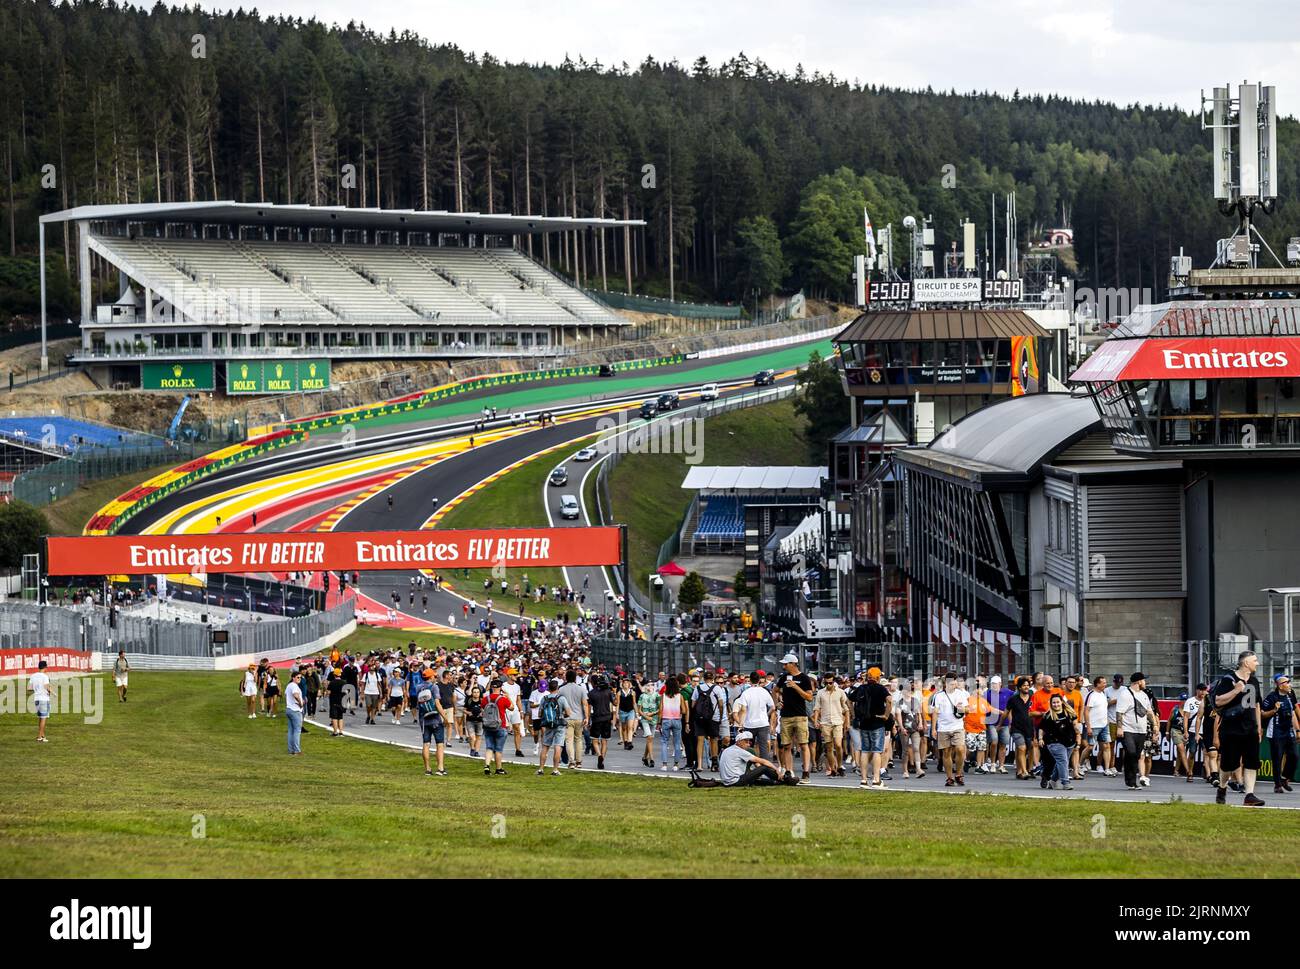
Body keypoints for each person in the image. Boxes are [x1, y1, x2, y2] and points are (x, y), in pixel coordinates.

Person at [1213, 650, 1265, 806]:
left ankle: (1249, 795)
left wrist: (1258, 726)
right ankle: (1222, 788)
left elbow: (1256, 704)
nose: (1257, 663)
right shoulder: (1228, 680)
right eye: (1254, 660)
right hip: (1231, 729)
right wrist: (1236, 690)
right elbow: (1218, 701)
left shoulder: (1254, 681)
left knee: (1251, 762)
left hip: (1250, 729)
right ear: (1246, 663)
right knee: (1229, 765)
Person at [848, 667, 891, 788]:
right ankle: (876, 779)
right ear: (877, 677)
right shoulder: (881, 688)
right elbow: (889, 700)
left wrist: (853, 714)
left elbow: (849, 700)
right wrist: (886, 715)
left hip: (864, 723)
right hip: (877, 722)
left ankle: (863, 780)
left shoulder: (861, 688)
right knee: (877, 750)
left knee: (865, 751)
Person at [775, 652, 814, 781]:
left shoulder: (804, 678)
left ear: (793, 664)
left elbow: (809, 697)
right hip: (786, 715)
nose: (784, 666)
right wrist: (777, 701)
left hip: (800, 715)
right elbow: (775, 690)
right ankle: (788, 770)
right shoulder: (784, 678)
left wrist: (796, 687)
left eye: (786, 664)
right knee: (786, 745)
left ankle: (806, 771)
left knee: (803, 744)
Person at [1114, 671, 1154, 791]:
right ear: (1138, 682)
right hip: (1128, 729)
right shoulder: (1125, 694)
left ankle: (1130, 778)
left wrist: (1155, 725)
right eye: (1143, 680)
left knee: (1136, 755)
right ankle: (1131, 781)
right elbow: (1119, 712)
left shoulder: (1144, 695)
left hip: (1141, 730)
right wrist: (1120, 727)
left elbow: (1149, 711)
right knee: (1131, 752)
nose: (1145, 683)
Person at [718, 731, 799, 787]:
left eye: (749, 741)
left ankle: (779, 782)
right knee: (763, 768)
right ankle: (786, 778)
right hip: (736, 780)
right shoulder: (740, 751)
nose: (748, 744)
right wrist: (777, 769)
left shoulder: (729, 749)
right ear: (738, 742)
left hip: (727, 782)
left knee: (757, 778)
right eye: (746, 741)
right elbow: (762, 761)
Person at [1262, 674, 1297, 794]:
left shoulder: (1290, 695)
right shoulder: (1272, 697)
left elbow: (1293, 713)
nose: (1289, 684)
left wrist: (1297, 730)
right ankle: (1277, 784)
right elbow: (1262, 713)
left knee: (1294, 756)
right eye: (1286, 682)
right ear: (1279, 685)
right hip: (1276, 731)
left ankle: (1284, 778)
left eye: (1289, 682)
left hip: (1288, 730)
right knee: (1277, 758)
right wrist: (1274, 710)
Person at [932, 672, 969, 787]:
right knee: (946, 752)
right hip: (943, 728)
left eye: (954, 682)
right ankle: (949, 778)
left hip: (958, 726)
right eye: (951, 683)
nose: (953, 684)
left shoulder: (961, 694)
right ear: (945, 684)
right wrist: (933, 728)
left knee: (960, 749)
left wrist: (962, 708)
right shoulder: (938, 696)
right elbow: (935, 713)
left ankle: (958, 774)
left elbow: (967, 710)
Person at [812, 674, 850, 777]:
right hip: (825, 722)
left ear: (834, 682)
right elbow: (817, 708)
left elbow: (846, 708)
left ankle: (840, 766)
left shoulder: (841, 692)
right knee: (829, 747)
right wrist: (816, 721)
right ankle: (833, 768)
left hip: (838, 721)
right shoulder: (820, 693)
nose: (828, 685)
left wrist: (848, 722)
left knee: (838, 745)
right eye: (826, 683)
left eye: (830, 682)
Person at [733, 670, 776, 762]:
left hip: (749, 724)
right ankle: (765, 770)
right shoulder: (764, 691)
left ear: (750, 680)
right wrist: (766, 714)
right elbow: (773, 707)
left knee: (748, 748)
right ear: (759, 680)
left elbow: (744, 710)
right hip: (763, 724)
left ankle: (749, 770)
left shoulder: (746, 693)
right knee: (764, 748)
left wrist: (741, 725)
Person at [1037, 693, 1076, 790]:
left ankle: (1053, 781)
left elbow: (1075, 726)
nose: (1056, 704)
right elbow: (1041, 728)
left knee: (1061, 763)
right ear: (1051, 704)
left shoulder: (1069, 713)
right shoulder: (1048, 716)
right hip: (1054, 742)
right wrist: (1040, 738)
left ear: (1062, 702)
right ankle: (1065, 783)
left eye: (1057, 702)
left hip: (1070, 741)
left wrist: (1078, 735)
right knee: (1063, 761)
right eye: (1053, 703)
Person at [691, 669, 726, 772]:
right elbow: (721, 704)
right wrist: (720, 716)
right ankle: (714, 765)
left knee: (700, 740)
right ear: (712, 679)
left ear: (704, 678)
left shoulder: (698, 688)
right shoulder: (717, 688)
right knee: (713, 740)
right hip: (713, 717)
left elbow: (693, 704)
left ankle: (699, 765)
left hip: (700, 718)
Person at [536, 679, 573, 776]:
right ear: (557, 688)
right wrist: (562, 716)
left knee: (545, 746)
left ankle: (541, 769)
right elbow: (569, 713)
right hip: (559, 724)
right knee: (558, 746)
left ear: (548, 688)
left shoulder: (544, 698)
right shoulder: (561, 698)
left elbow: (540, 714)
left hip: (548, 725)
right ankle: (555, 769)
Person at [558, 668, 590, 769]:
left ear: (566, 678)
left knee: (569, 740)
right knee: (578, 739)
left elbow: (559, 703)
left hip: (567, 717)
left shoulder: (561, 689)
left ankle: (571, 761)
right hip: (579, 717)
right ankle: (579, 761)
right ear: (575, 678)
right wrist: (587, 717)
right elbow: (585, 704)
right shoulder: (581, 689)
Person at [480, 679, 513, 776]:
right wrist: (508, 696)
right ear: (501, 688)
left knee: (489, 747)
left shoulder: (486, 699)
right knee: (498, 749)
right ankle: (499, 769)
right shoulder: (503, 699)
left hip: (488, 725)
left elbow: (482, 708)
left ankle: (487, 765)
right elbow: (512, 707)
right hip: (500, 725)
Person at [417, 673, 448, 776]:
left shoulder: (418, 687)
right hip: (435, 718)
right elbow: (437, 704)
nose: (435, 677)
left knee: (426, 743)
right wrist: (445, 717)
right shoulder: (434, 687)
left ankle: (427, 769)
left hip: (423, 719)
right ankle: (440, 768)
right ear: (430, 677)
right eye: (434, 676)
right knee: (439, 744)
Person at [1084, 676, 1115, 776]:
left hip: (1104, 725)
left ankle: (1107, 769)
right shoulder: (1091, 695)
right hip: (1093, 725)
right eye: (1103, 683)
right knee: (1090, 747)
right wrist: (1088, 726)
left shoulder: (1103, 694)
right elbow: (1086, 711)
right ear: (1097, 684)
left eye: (1105, 683)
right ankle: (1080, 765)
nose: (1105, 685)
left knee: (1106, 746)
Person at [1007, 676, 1035, 779]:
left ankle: (1029, 769)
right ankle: (1023, 771)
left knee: (1031, 747)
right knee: (1021, 748)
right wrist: (1004, 724)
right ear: (1019, 687)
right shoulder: (1014, 699)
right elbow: (1007, 712)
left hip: (1030, 727)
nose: (1026, 687)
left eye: (1028, 685)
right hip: (1017, 727)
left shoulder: (1033, 697)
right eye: (1024, 685)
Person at [587, 674, 615, 769]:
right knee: (604, 741)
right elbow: (615, 702)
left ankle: (599, 755)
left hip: (596, 718)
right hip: (607, 718)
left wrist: (587, 719)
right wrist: (614, 692)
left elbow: (589, 707)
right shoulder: (608, 691)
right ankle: (602, 758)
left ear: (592, 683)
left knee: (594, 740)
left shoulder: (591, 693)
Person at [659, 675, 686, 771]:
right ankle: (676, 764)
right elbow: (684, 710)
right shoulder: (680, 696)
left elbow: (661, 710)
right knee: (677, 742)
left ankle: (664, 764)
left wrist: (659, 722)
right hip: (677, 720)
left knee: (664, 742)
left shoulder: (663, 696)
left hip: (666, 719)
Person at [638, 680, 661, 767]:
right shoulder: (642, 696)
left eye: (651, 685)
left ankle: (644, 757)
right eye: (648, 685)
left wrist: (653, 714)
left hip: (654, 719)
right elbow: (639, 709)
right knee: (650, 737)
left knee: (650, 739)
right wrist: (646, 716)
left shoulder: (657, 696)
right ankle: (651, 759)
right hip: (645, 719)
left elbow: (660, 708)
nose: (649, 687)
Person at [29, 660, 51, 742]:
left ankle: (43, 736)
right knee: (44, 718)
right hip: (44, 699)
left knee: (40, 718)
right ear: (45, 667)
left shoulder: (33, 676)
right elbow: (47, 687)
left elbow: (29, 688)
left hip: (36, 699)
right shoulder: (45, 676)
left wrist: (37, 689)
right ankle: (39, 736)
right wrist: (49, 691)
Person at [285, 669, 305, 756]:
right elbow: (295, 695)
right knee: (297, 731)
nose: (299, 679)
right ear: (293, 678)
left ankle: (290, 750)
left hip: (289, 709)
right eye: (297, 677)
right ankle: (297, 750)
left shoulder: (289, 685)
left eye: (300, 677)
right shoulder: (294, 686)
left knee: (291, 731)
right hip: (295, 710)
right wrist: (300, 703)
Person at [616, 677, 638, 751]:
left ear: (629, 684)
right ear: (622, 684)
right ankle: (625, 741)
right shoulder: (619, 693)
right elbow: (618, 704)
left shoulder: (632, 692)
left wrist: (637, 712)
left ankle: (630, 742)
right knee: (624, 728)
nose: (626, 684)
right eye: (624, 683)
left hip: (630, 711)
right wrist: (616, 713)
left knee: (630, 727)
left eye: (627, 683)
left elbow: (634, 703)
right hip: (622, 711)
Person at [327, 667, 346, 736]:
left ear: (334, 675)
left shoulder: (332, 683)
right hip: (342, 701)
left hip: (333, 701)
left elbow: (328, 692)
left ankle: (335, 732)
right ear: (340, 674)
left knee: (334, 717)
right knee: (340, 717)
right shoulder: (344, 682)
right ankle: (341, 731)